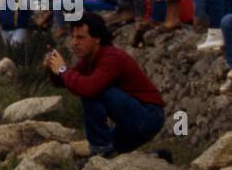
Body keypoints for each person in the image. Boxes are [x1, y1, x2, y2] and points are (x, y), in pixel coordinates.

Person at [46, 12, 165, 158]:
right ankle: (158, 157)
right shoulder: (90, 58)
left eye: (81, 38)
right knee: (115, 154)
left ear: (97, 39)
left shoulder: (111, 57)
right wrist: (53, 69)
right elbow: (66, 81)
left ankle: (99, 148)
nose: (75, 43)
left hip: (148, 116)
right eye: (73, 37)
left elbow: (87, 88)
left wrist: (63, 70)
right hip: (133, 117)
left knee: (92, 91)